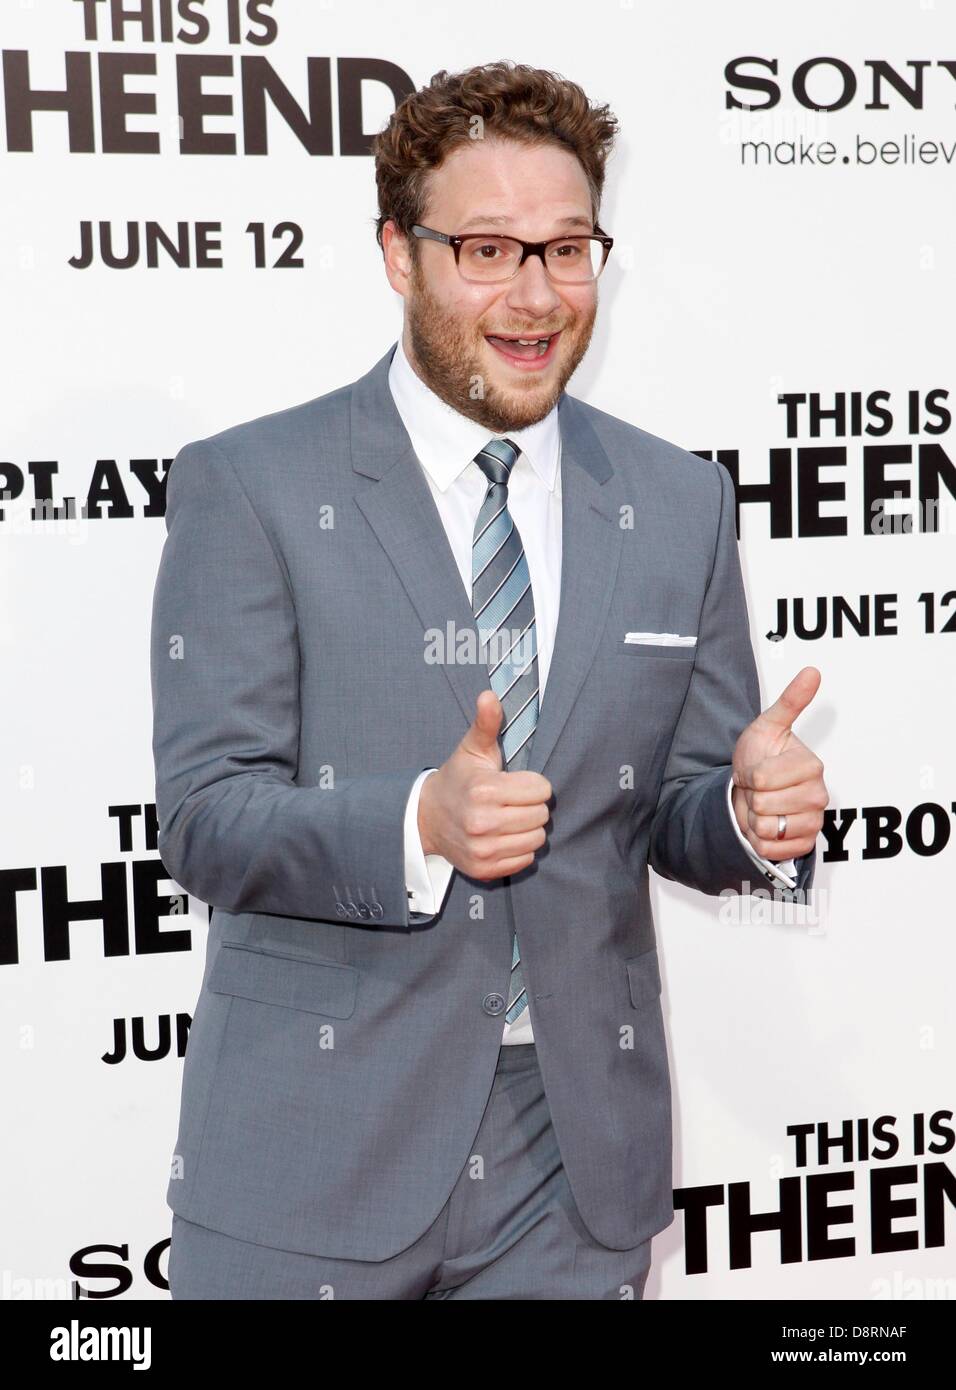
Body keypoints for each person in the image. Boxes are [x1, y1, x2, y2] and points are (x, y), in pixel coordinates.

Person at [151, 60, 828, 1300]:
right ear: (397, 257)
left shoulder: (677, 502)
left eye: (566, 250)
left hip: (570, 1167)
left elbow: (677, 796)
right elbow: (202, 818)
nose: (534, 296)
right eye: (485, 248)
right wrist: (418, 821)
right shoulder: (250, 485)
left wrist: (744, 815)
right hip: (312, 1153)